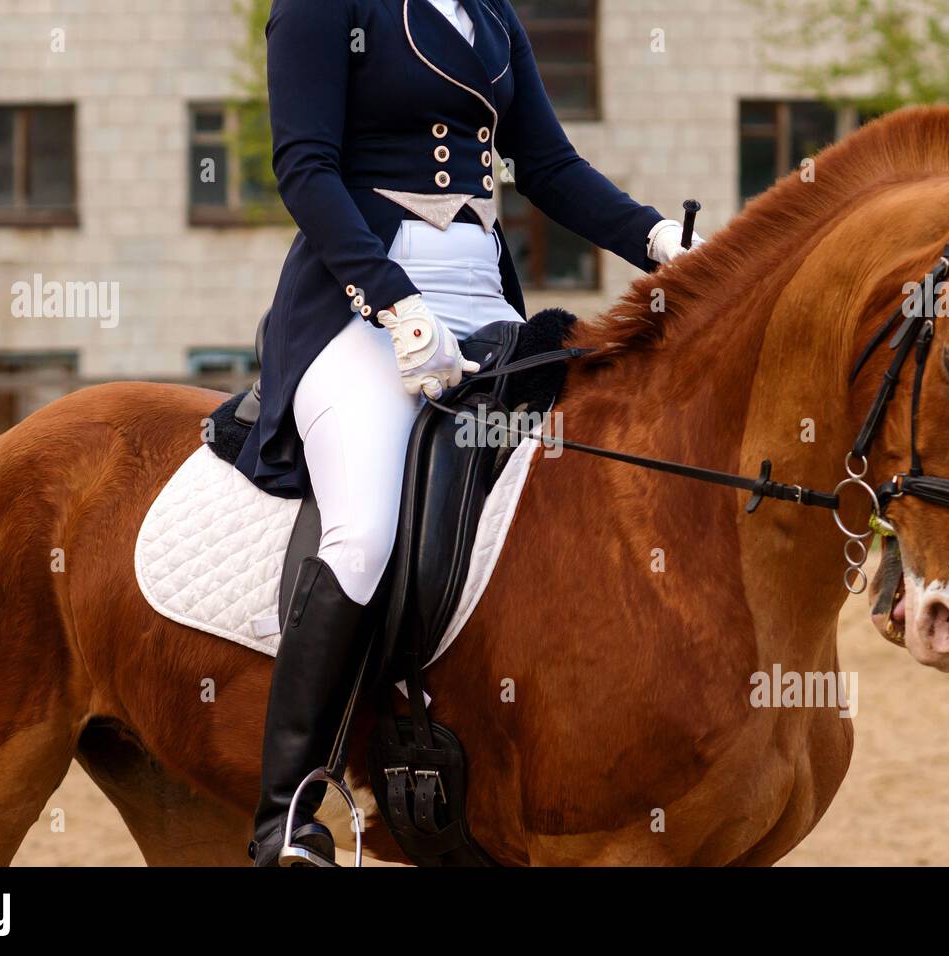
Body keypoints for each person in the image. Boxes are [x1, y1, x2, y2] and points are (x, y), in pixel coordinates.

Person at [237, 0, 699, 866]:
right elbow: (304, 168)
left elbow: (549, 166)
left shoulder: (490, 14)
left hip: (486, 304)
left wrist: (657, 238)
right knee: (364, 533)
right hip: (359, 308)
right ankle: (288, 812)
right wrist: (393, 301)